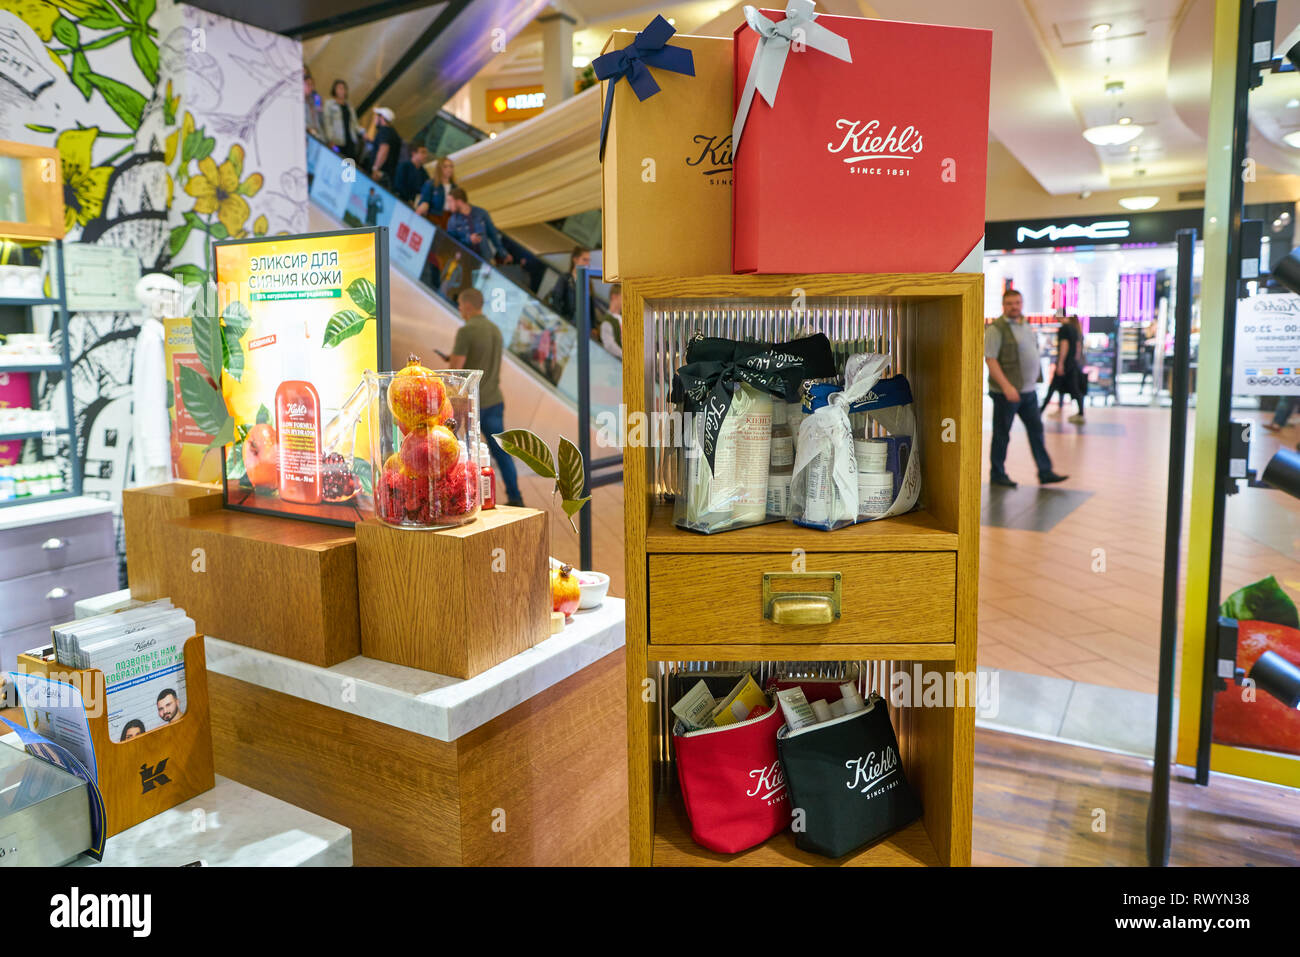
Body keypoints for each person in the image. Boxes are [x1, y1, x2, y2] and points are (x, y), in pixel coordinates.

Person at [986, 289, 1068, 488]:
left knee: (1036, 431)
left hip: (1028, 391)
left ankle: (1045, 471)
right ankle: (997, 473)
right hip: (1007, 393)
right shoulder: (996, 329)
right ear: (1003, 306)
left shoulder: (1025, 325)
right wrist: (1006, 387)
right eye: (1010, 303)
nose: (1014, 306)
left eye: (1017, 302)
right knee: (1002, 434)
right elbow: (990, 360)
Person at [449, 288, 523, 507]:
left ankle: (469, 498)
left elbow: (456, 369)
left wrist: (450, 360)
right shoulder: (495, 330)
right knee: (501, 452)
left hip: (472, 403)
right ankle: (515, 497)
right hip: (495, 399)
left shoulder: (466, 331)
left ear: (469, 306)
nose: (460, 309)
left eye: (461, 305)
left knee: (467, 452)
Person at [1040, 315, 1087, 424]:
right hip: (1072, 364)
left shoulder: (1064, 328)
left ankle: (1040, 411)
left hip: (1065, 364)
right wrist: (1074, 360)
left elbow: (1064, 345)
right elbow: (1078, 347)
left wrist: (1060, 363)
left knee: (1053, 389)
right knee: (1072, 389)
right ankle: (1080, 413)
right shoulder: (1074, 328)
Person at [446, 188, 509, 263]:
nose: (448, 205)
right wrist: (468, 240)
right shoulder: (452, 222)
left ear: (459, 202)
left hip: (487, 259)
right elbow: (451, 244)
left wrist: (503, 254)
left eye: (450, 201)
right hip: (467, 262)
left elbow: (493, 235)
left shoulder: (481, 213)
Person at [322, 79, 364, 161]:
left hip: (350, 140)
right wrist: (330, 139)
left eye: (343, 88)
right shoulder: (329, 104)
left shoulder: (349, 105)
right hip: (337, 140)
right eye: (339, 88)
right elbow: (327, 123)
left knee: (349, 168)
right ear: (335, 90)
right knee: (337, 163)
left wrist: (363, 132)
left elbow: (354, 123)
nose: (341, 90)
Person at [548, 247, 590, 320]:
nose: (587, 264)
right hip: (562, 320)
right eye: (584, 260)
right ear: (575, 260)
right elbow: (556, 301)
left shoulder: (587, 284)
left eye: (588, 260)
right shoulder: (565, 279)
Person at [369, 106, 402, 188]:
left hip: (380, 174)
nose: (375, 119)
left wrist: (375, 169)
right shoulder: (393, 133)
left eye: (376, 116)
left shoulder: (384, 131)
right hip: (388, 175)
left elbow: (384, 149)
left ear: (382, 118)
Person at [303, 69, 323, 139]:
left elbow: (320, 117)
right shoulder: (298, 101)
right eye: (308, 84)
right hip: (306, 134)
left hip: (318, 134)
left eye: (312, 85)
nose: (310, 87)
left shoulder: (316, 98)